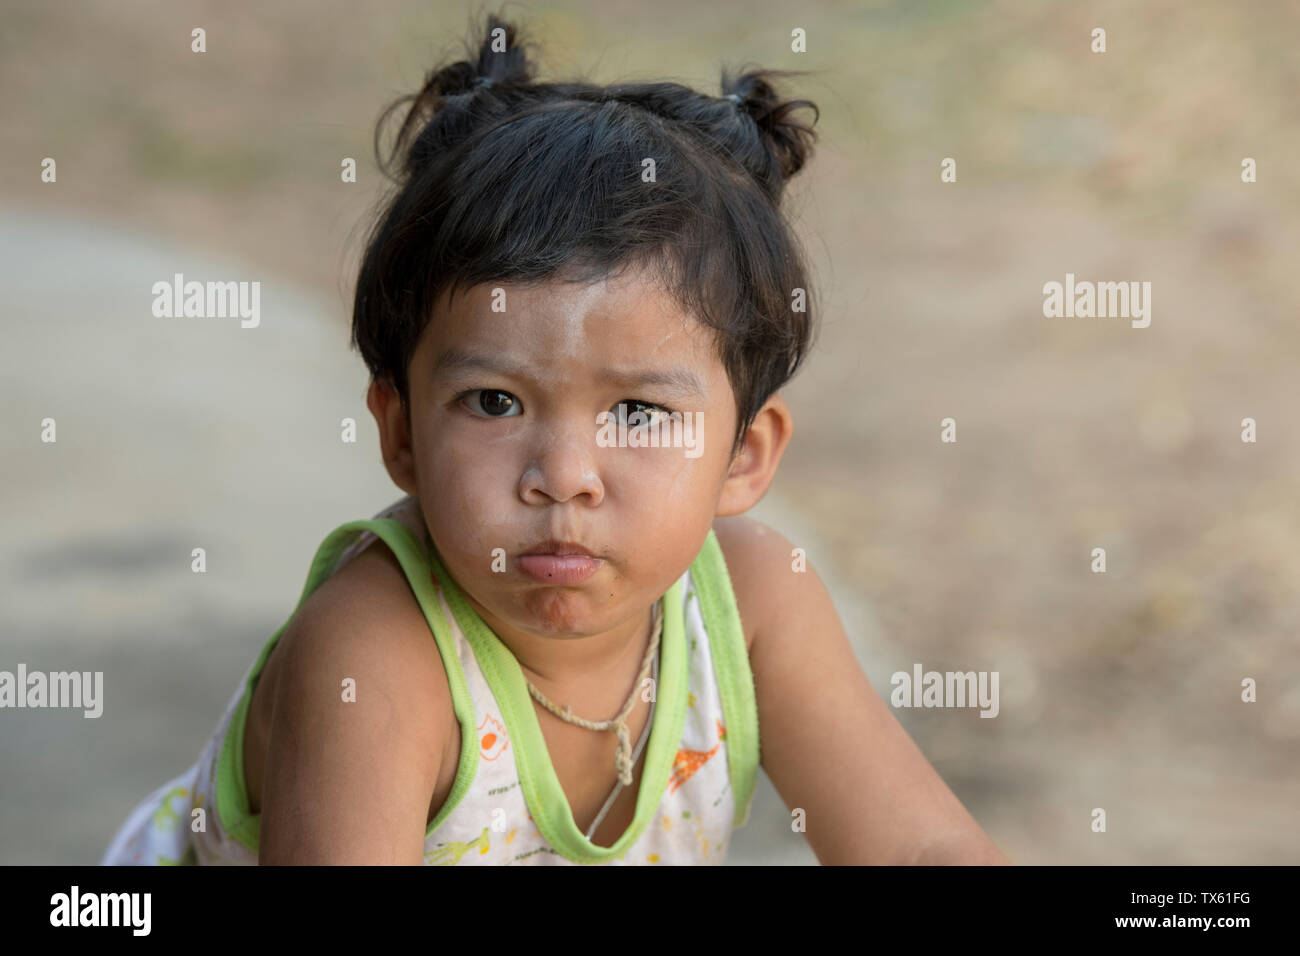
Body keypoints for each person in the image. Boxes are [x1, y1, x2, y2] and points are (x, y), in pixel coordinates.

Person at [101, 10, 1008, 866]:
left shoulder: (756, 604)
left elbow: (919, 849)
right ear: (402, 434)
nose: (563, 478)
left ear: (745, 455)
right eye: (495, 403)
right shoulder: (376, 654)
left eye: (641, 414)